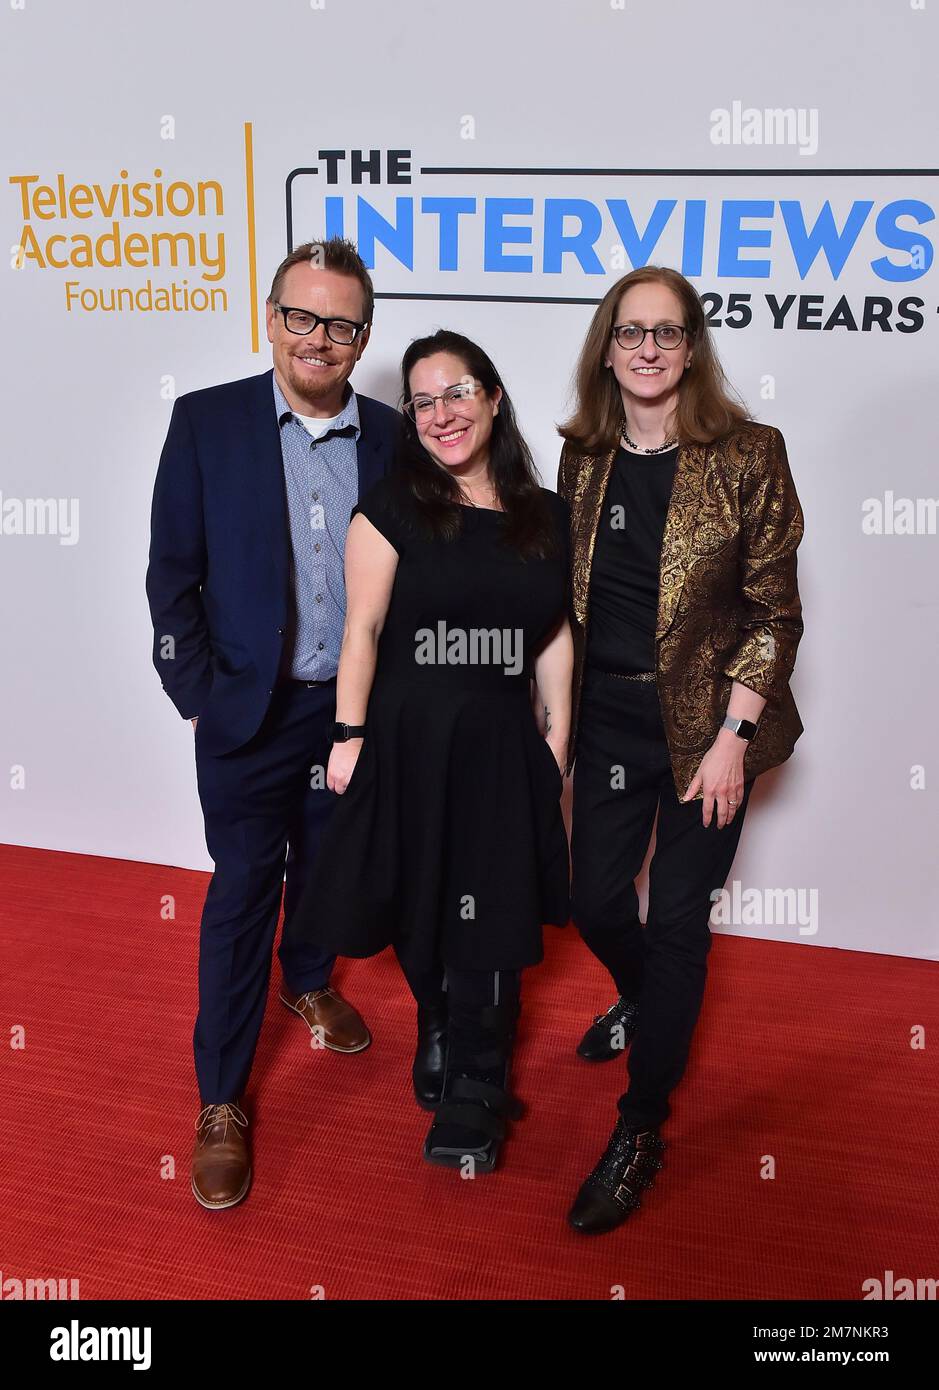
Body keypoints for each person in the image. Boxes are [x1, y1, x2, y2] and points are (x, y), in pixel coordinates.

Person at [146, 237, 400, 1210]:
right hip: (248, 716)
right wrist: (200, 694)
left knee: (330, 865)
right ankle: (220, 1099)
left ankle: (309, 978)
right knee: (247, 884)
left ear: (361, 335)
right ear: (272, 317)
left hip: (349, 715)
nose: (318, 337)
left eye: (339, 323)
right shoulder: (205, 424)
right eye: (302, 315)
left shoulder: (388, 436)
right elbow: (172, 579)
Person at [557, 266, 804, 1234]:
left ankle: (640, 1124)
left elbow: (774, 613)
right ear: (607, 347)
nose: (648, 349)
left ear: (692, 346)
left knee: (679, 929)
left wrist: (734, 738)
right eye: (631, 333)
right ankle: (640, 1000)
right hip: (610, 723)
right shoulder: (583, 458)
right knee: (592, 900)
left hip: (711, 733)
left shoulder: (748, 453)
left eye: (667, 332)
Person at [292, 329, 572, 1172]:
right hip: (409, 732)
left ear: (491, 398)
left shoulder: (545, 515)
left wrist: (556, 737)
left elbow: (554, 632)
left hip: (498, 737)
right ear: (411, 419)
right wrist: (348, 736)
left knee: (494, 905)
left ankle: (477, 1082)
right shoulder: (391, 506)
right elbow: (363, 631)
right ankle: (437, 1021)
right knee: (421, 901)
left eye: (457, 392)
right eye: (422, 401)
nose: (442, 412)